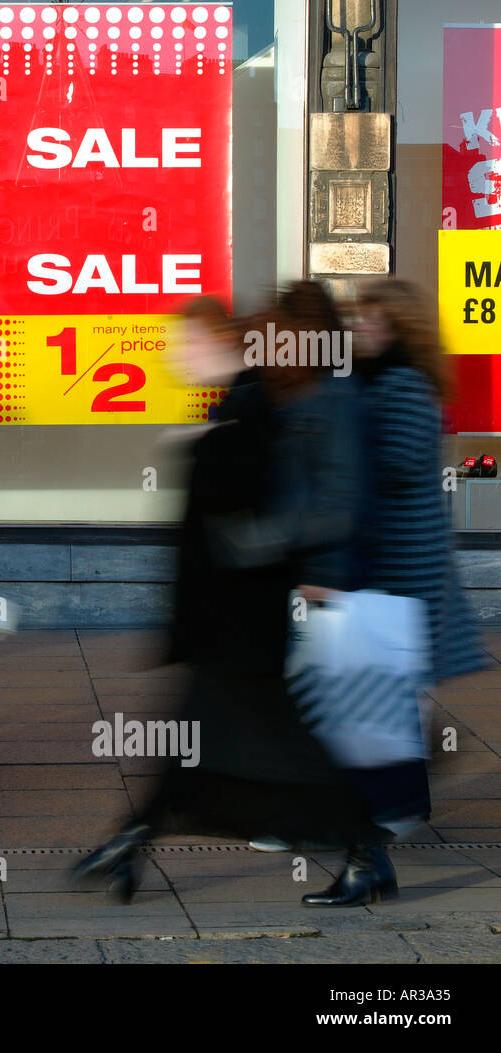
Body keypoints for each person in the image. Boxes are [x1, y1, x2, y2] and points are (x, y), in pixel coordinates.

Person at [73, 291, 385, 904]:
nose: (176, 355)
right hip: (232, 611)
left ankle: (364, 850)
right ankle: (132, 843)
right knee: (200, 733)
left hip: (249, 610)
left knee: (279, 739)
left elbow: (323, 506)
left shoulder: (296, 403)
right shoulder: (258, 401)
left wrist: (256, 539)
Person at [296, 279, 488, 906]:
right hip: (385, 576)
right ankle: (381, 827)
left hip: (399, 577)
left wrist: (338, 436)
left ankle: (369, 847)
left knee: (365, 714)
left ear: (400, 329)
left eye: (371, 322)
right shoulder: (375, 383)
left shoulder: (400, 385)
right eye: (357, 320)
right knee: (376, 710)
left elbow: (395, 465)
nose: (359, 330)